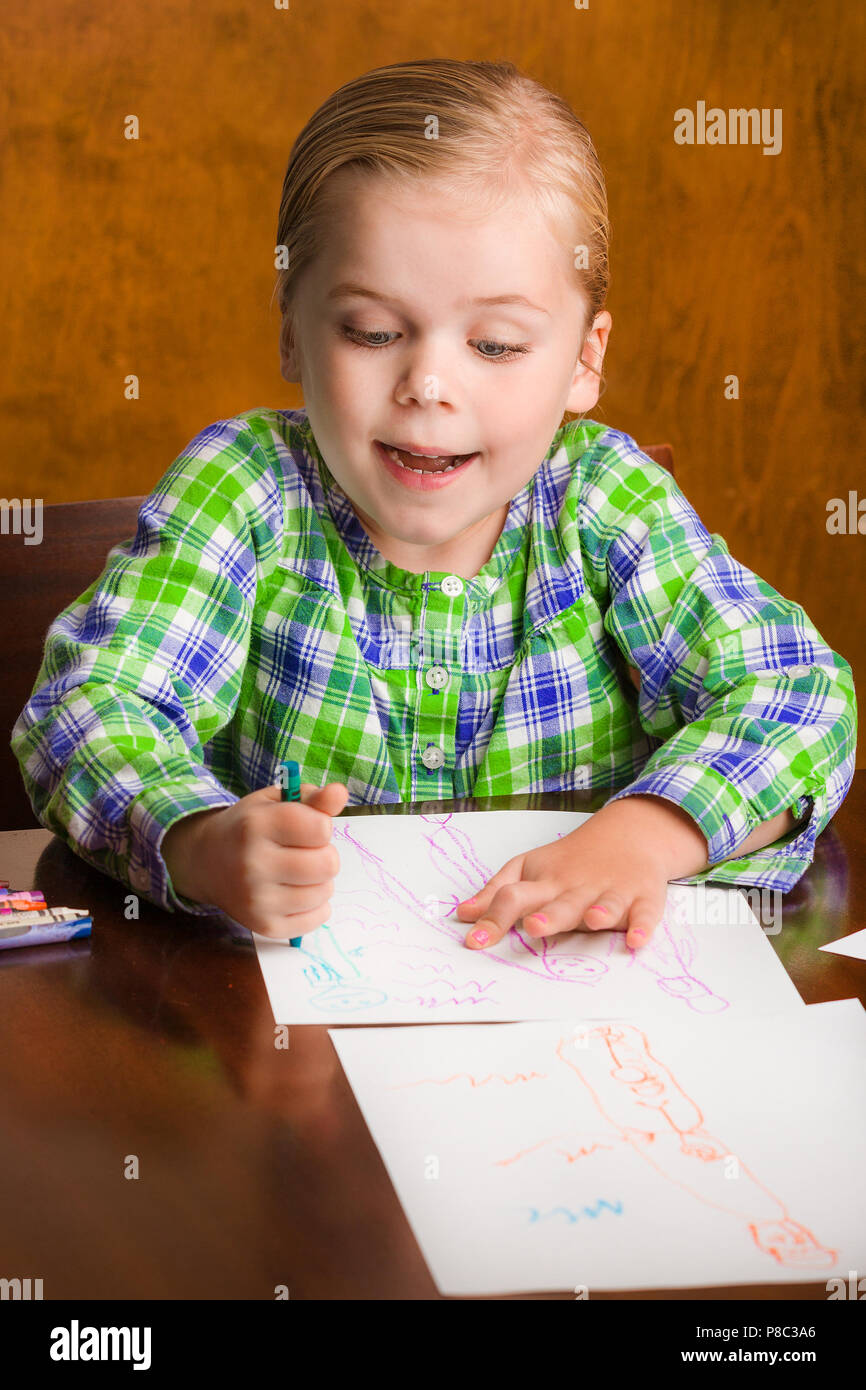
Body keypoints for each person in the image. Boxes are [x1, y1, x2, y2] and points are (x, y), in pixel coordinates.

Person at [10, 59, 856, 952]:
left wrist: (648, 835)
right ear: (292, 328)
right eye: (373, 331)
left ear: (583, 360)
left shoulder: (606, 500)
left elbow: (798, 696)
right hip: (295, 1041)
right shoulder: (246, 490)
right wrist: (196, 840)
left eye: (495, 344)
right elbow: (86, 709)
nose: (426, 385)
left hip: (580, 1013)